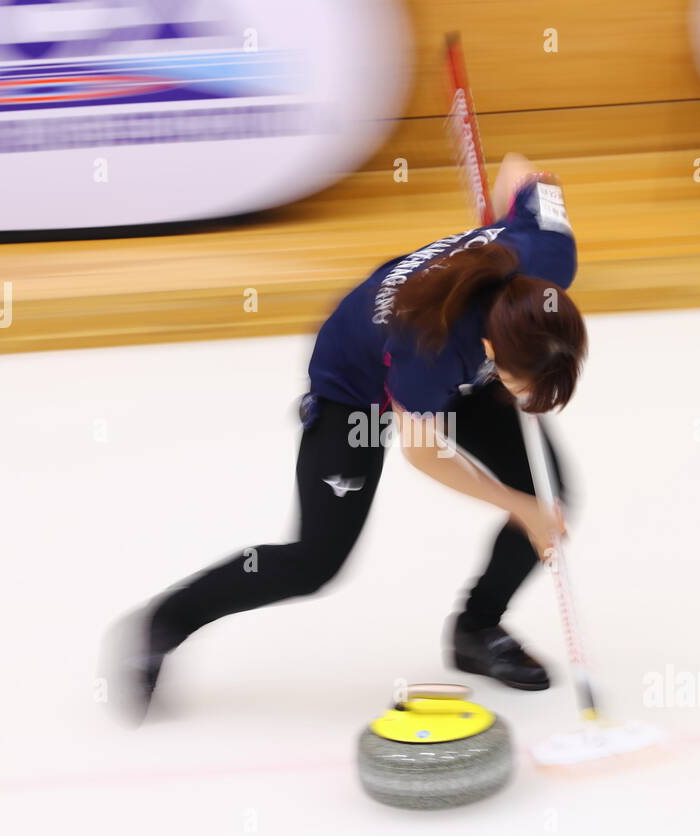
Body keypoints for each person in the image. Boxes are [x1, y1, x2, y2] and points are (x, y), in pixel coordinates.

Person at [117, 154, 587, 722]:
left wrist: (507, 198)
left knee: (549, 496)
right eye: (524, 383)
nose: (531, 398)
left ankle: (476, 630)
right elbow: (424, 452)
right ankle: (163, 621)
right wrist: (517, 506)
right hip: (358, 391)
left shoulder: (549, 252)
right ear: (491, 353)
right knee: (317, 559)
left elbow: (525, 172)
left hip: (461, 359)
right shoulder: (430, 350)